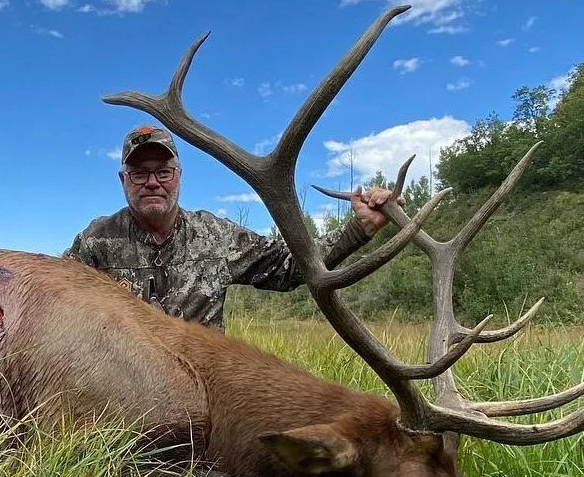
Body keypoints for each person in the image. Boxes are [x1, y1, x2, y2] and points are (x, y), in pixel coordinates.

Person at [64, 124, 397, 329]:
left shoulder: (216, 236)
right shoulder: (97, 242)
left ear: (178, 176)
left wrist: (358, 228)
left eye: (163, 172)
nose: (152, 182)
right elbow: (53, 298)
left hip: (205, 391)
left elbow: (289, 265)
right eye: (139, 173)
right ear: (123, 180)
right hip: (120, 393)